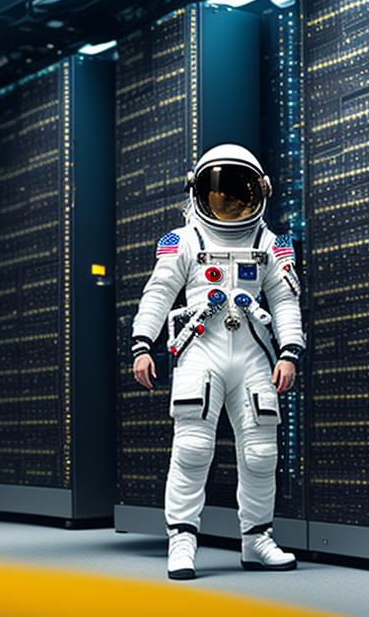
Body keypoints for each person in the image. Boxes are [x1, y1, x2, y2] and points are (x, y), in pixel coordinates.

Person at [130, 143, 305, 580]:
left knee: (262, 453)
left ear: (259, 192)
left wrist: (289, 352)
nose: (227, 201)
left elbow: (285, 299)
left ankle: (257, 539)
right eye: (217, 192)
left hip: (252, 355)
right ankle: (182, 540)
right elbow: (158, 292)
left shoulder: (273, 243)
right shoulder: (183, 239)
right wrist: (142, 343)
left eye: (238, 192)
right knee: (191, 449)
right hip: (201, 352)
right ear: (198, 192)